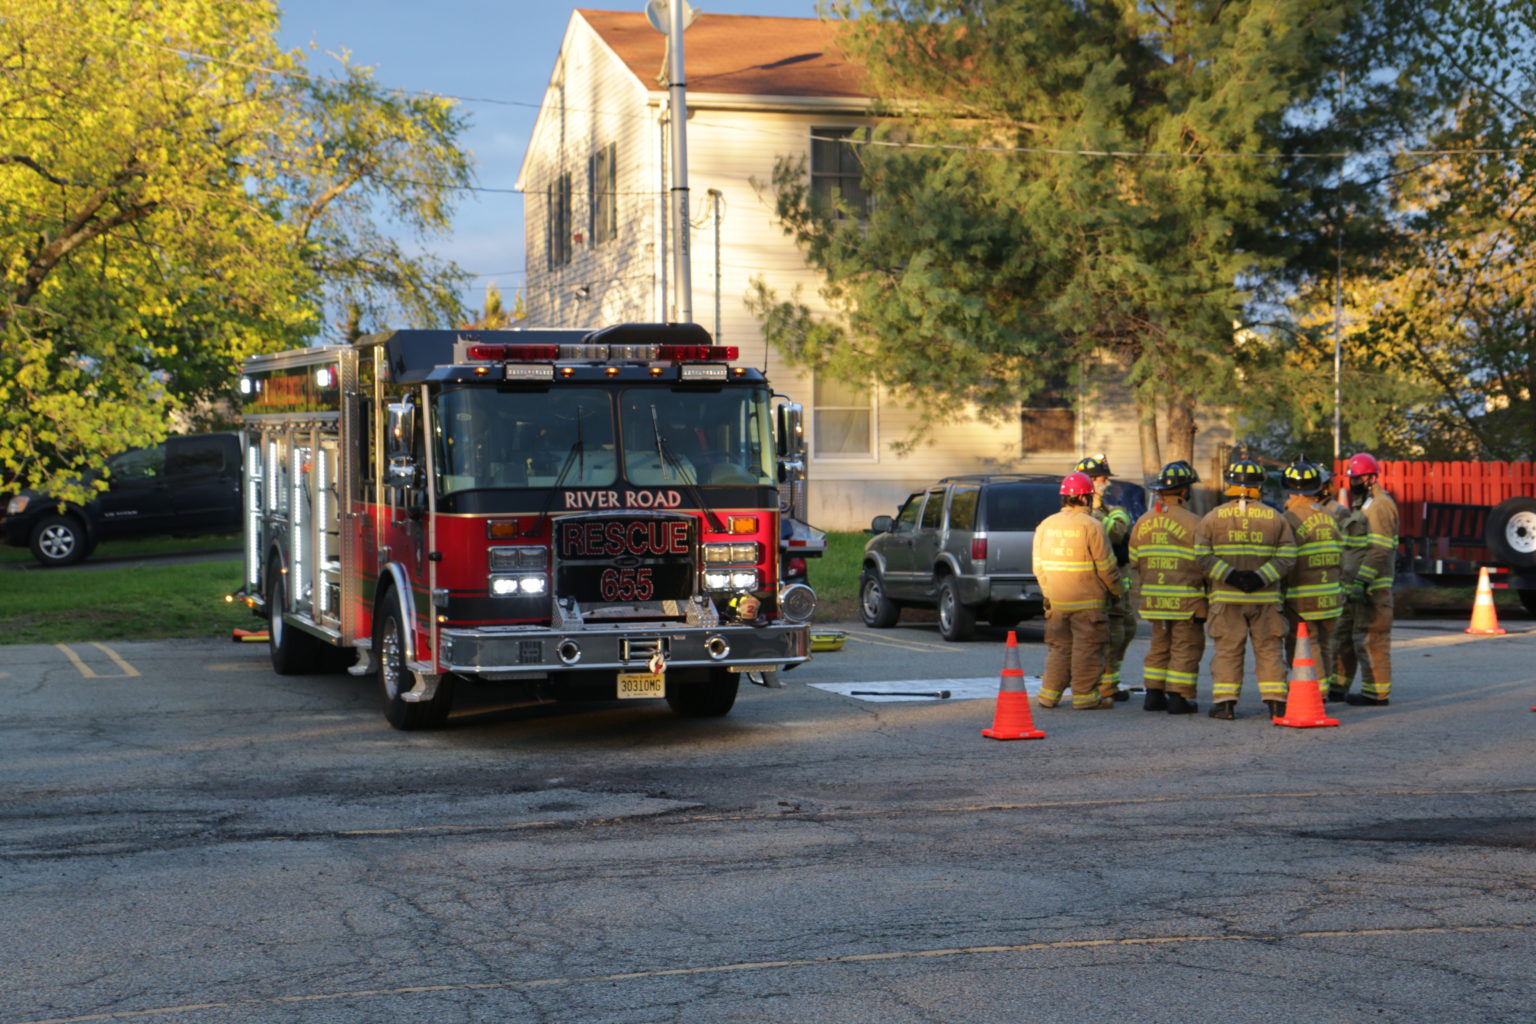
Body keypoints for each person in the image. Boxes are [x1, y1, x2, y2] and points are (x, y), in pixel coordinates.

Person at [1195, 455, 1297, 720]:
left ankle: (1225, 704)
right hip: (1266, 599)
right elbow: (1287, 556)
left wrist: (1230, 576)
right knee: (1269, 650)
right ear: (1259, 486)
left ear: (1229, 484)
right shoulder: (1275, 518)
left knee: (1228, 651)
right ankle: (1276, 702)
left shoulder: (1211, 518)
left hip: (1226, 600)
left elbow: (1202, 556)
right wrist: (1260, 577)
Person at [1032, 471, 1124, 710]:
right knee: (1088, 650)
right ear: (1084, 499)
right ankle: (1085, 697)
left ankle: (1049, 696)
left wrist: (1049, 594)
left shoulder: (1045, 525)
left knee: (1059, 649)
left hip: (1058, 603)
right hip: (1088, 604)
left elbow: (1038, 567)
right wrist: (1117, 591)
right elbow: (1106, 567)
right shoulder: (1091, 526)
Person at [1127, 460, 1205, 714]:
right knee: (1186, 646)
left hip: (1154, 600)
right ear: (1184, 491)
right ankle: (1178, 697)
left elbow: (1134, 560)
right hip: (1186, 601)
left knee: (1159, 645)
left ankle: (1154, 694)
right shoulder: (1195, 523)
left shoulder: (1143, 521)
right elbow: (1206, 563)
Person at [1335, 452, 1398, 705]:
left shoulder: (1381, 505)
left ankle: (1377, 693)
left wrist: (1363, 581)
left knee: (1371, 641)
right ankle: (1337, 688)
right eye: (1352, 477)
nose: (1353, 482)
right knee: (1344, 639)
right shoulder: (1364, 506)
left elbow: (1379, 549)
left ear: (1372, 478)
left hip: (1371, 590)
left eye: (1358, 478)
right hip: (1352, 589)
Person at [1279, 460, 1344, 699]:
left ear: (1289, 489)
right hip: (1331, 596)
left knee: (1306, 645)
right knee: (1325, 644)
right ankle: (1323, 691)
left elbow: (1285, 561)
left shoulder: (1289, 518)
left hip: (1302, 598)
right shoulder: (1330, 515)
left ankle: (1311, 694)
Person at [1075, 453, 1135, 703]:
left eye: (1105, 478)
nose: (1106, 482)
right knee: (1109, 636)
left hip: (1118, 583)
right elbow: (1112, 536)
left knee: (1125, 630)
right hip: (1102, 585)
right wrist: (1120, 518)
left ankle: (1110, 683)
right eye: (1100, 478)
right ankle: (1102, 686)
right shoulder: (1086, 512)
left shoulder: (1105, 508)